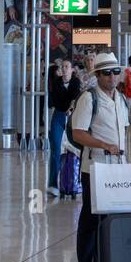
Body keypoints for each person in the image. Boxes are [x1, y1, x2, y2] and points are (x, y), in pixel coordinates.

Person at [70, 52, 130, 262]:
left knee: (110, 218)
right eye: (107, 73)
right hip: (95, 167)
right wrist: (103, 145)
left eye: (116, 72)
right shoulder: (89, 98)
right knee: (91, 218)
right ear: (97, 75)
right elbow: (78, 133)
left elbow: (122, 134)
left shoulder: (120, 99)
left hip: (117, 168)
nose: (112, 77)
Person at [47, 57, 81, 197]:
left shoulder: (75, 82)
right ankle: (53, 183)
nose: (64, 69)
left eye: (67, 66)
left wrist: (71, 106)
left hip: (72, 117)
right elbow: (55, 100)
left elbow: (74, 97)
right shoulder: (56, 82)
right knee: (55, 149)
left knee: (76, 149)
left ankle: (76, 181)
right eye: (63, 67)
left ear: (72, 69)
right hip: (59, 116)